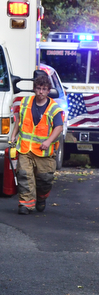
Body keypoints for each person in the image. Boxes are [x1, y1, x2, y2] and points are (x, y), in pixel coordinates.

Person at [9, 73, 64, 215]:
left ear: (48, 90)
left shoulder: (53, 108)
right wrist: (13, 135)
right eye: (39, 88)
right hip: (25, 149)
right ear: (34, 89)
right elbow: (19, 121)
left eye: (44, 89)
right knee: (24, 176)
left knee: (44, 181)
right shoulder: (25, 102)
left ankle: (41, 198)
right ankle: (25, 205)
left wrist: (48, 141)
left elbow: (59, 127)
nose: (41, 92)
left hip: (44, 152)